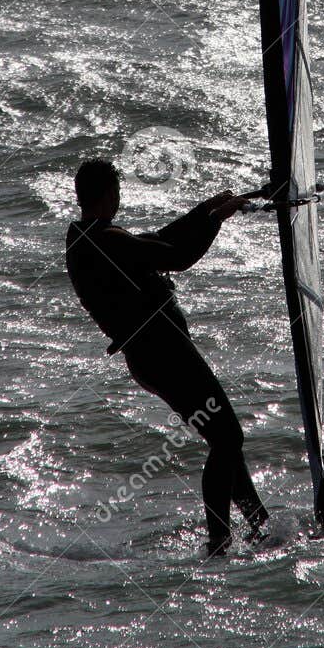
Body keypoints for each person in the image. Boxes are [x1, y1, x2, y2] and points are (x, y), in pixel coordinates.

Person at [66, 157, 268, 558]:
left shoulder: (88, 237)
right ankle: (220, 542)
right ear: (109, 195)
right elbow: (176, 256)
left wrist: (204, 210)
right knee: (228, 437)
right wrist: (216, 220)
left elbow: (157, 241)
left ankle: (260, 527)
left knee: (223, 438)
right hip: (164, 355)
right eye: (118, 193)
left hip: (153, 357)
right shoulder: (104, 242)